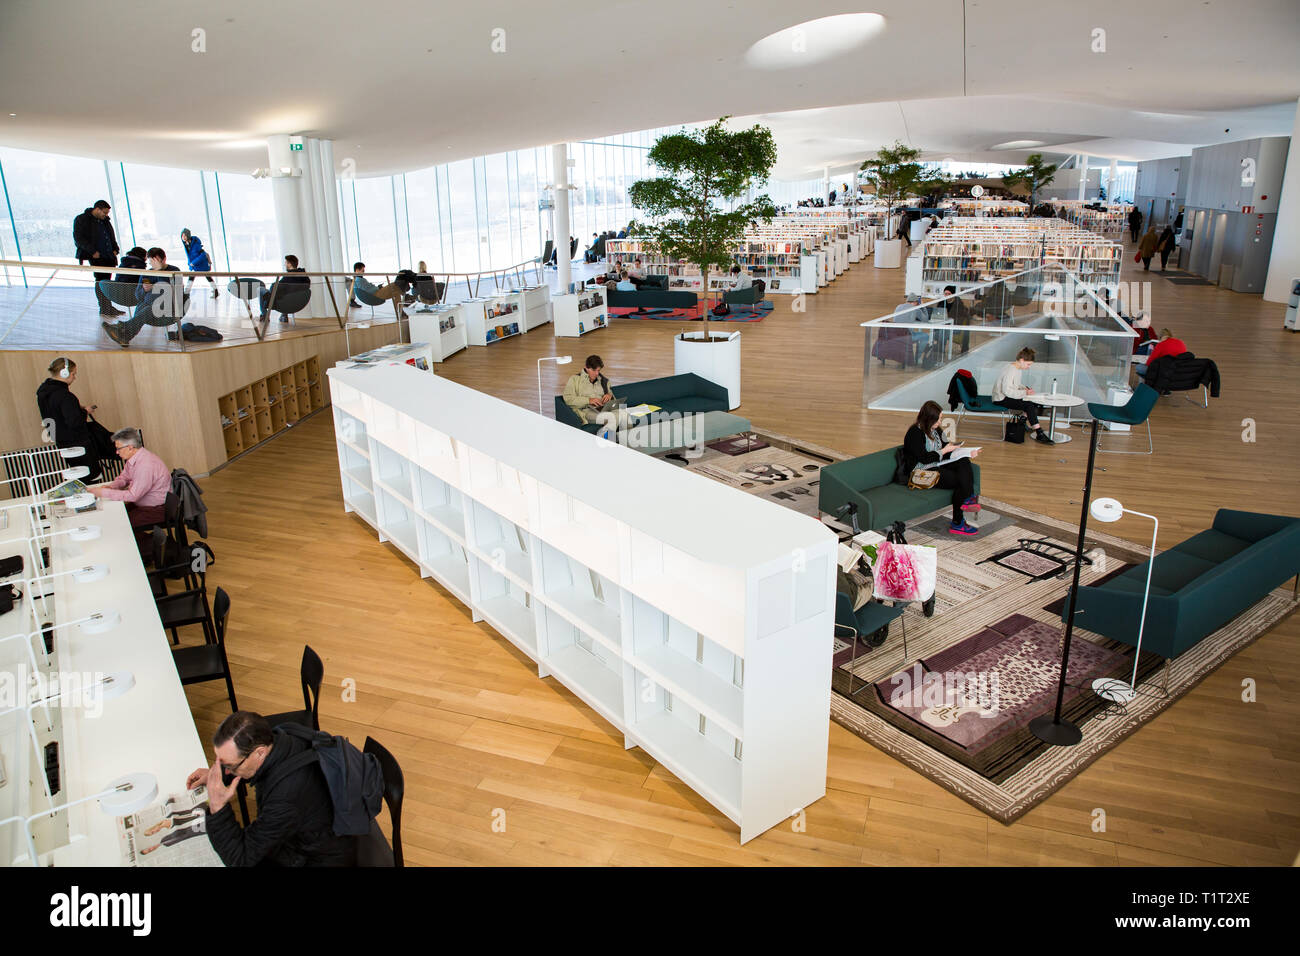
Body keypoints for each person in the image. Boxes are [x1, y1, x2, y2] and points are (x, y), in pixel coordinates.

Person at [187, 710, 359, 866]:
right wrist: (216, 774)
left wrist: (217, 807)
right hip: (317, 829)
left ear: (259, 752)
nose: (226, 770)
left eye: (231, 765)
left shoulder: (284, 798)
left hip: (319, 857)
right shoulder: (282, 736)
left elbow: (240, 859)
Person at [902, 400, 982, 536]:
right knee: (959, 481)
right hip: (920, 472)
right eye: (938, 419)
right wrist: (945, 451)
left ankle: (967, 500)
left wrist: (965, 452)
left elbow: (946, 447)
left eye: (940, 419)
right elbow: (924, 458)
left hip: (936, 464)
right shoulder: (914, 433)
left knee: (964, 461)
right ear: (929, 419)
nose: (940, 422)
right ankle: (958, 521)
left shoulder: (936, 429)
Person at [89, 427, 171, 553]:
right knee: (114, 517)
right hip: (145, 505)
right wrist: (112, 486)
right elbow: (124, 477)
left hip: (156, 509)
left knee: (121, 524)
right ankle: (146, 547)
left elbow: (133, 496)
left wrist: (103, 492)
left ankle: (152, 549)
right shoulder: (135, 458)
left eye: (118, 448)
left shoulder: (145, 465)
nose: (116, 452)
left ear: (130, 447)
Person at [36, 358, 107, 482]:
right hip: (78, 444)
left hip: (62, 443)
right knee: (91, 477)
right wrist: (85, 411)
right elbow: (75, 422)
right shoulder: (66, 396)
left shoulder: (43, 392)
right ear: (64, 373)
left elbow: (56, 411)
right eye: (73, 374)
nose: (74, 377)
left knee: (78, 477)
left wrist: (76, 408)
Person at [101, 247, 182, 347]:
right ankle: (125, 335)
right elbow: (138, 295)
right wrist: (144, 290)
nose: (153, 264)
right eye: (151, 261)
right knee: (146, 306)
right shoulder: (147, 274)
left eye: (156, 261)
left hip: (168, 306)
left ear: (164, 259)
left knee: (155, 300)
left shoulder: (174, 271)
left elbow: (174, 291)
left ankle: (124, 329)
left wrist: (159, 272)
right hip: (149, 306)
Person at [992, 347, 1054, 444]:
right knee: (1028, 405)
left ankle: (1022, 422)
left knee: (1033, 402)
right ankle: (1039, 433)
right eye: (1028, 364)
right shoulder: (1010, 370)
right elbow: (1006, 391)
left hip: (1006, 396)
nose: (1029, 367)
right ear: (1021, 360)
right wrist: (1025, 393)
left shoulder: (1017, 368)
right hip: (1001, 398)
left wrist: (1025, 388)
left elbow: (1015, 384)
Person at [73, 200, 121, 317]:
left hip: (108, 255)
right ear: (97, 209)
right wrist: (92, 251)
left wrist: (115, 249)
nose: (106, 215)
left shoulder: (105, 221)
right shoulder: (82, 219)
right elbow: (78, 238)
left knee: (107, 281)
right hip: (97, 256)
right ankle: (104, 308)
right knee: (100, 280)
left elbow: (111, 236)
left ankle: (108, 307)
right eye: (104, 212)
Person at [563, 354, 629, 434]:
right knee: (612, 417)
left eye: (598, 370)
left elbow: (610, 393)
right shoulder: (575, 379)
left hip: (603, 408)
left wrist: (609, 395)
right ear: (586, 368)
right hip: (586, 411)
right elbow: (568, 399)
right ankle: (607, 442)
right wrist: (588, 400)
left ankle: (625, 441)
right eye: (594, 370)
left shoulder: (603, 380)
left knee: (624, 414)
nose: (597, 373)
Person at [260, 254, 310, 324]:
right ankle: (284, 315)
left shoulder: (288, 276)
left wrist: (271, 289)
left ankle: (264, 315)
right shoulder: (304, 276)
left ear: (289, 264)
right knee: (286, 293)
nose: (285, 264)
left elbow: (274, 289)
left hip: (282, 302)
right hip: (297, 301)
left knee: (260, 289)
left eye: (286, 263)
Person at [180, 228, 218, 298]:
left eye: (185, 236)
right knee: (197, 277)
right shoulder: (186, 244)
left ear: (188, 235)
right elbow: (190, 256)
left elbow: (203, 255)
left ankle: (186, 293)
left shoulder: (195, 244)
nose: (183, 238)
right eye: (182, 236)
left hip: (202, 264)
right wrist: (190, 264)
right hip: (195, 265)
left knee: (206, 277)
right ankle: (186, 293)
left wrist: (193, 263)